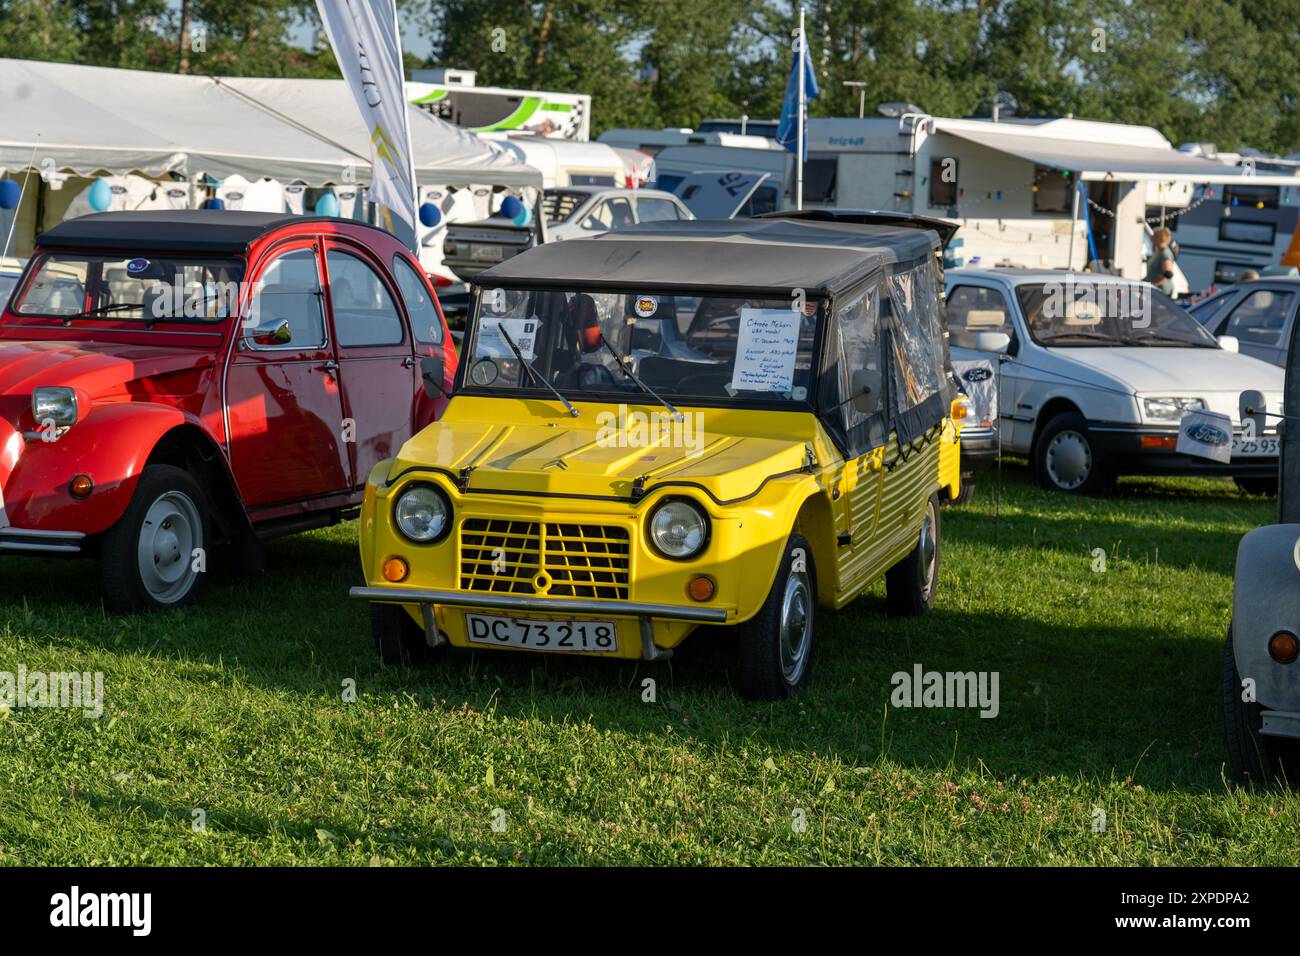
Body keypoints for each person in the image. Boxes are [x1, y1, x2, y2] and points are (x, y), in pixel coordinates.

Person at [1145, 227, 1177, 295]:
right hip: (1154, 290)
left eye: (1154, 236)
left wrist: (1152, 284)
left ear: (1159, 238)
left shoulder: (1165, 254)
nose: (1151, 238)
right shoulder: (1159, 251)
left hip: (1162, 292)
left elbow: (1167, 276)